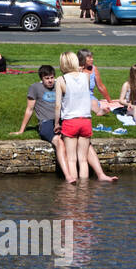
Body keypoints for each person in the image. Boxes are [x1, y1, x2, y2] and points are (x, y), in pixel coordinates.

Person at [13, 64, 117, 182]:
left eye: (52, 77)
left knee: (86, 144)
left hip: (64, 120)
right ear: (41, 78)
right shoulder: (35, 88)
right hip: (46, 122)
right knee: (59, 142)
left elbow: (77, 98)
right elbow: (29, 109)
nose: (50, 81)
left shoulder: (60, 83)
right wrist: (22, 130)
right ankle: (68, 176)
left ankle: (101, 175)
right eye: (47, 78)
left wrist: (99, 110)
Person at [54, 51, 99, 184]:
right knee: (83, 159)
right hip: (85, 120)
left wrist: (57, 123)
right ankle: (84, 189)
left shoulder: (61, 80)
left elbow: (57, 105)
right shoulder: (85, 76)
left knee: (72, 159)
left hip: (70, 121)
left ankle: (72, 191)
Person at [78, 48, 121, 115]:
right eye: (89, 58)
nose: (92, 59)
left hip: (88, 96)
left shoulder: (94, 69)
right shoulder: (75, 69)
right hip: (75, 95)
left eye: (92, 57)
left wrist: (109, 100)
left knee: (93, 102)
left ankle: (99, 111)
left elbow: (100, 86)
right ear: (82, 59)